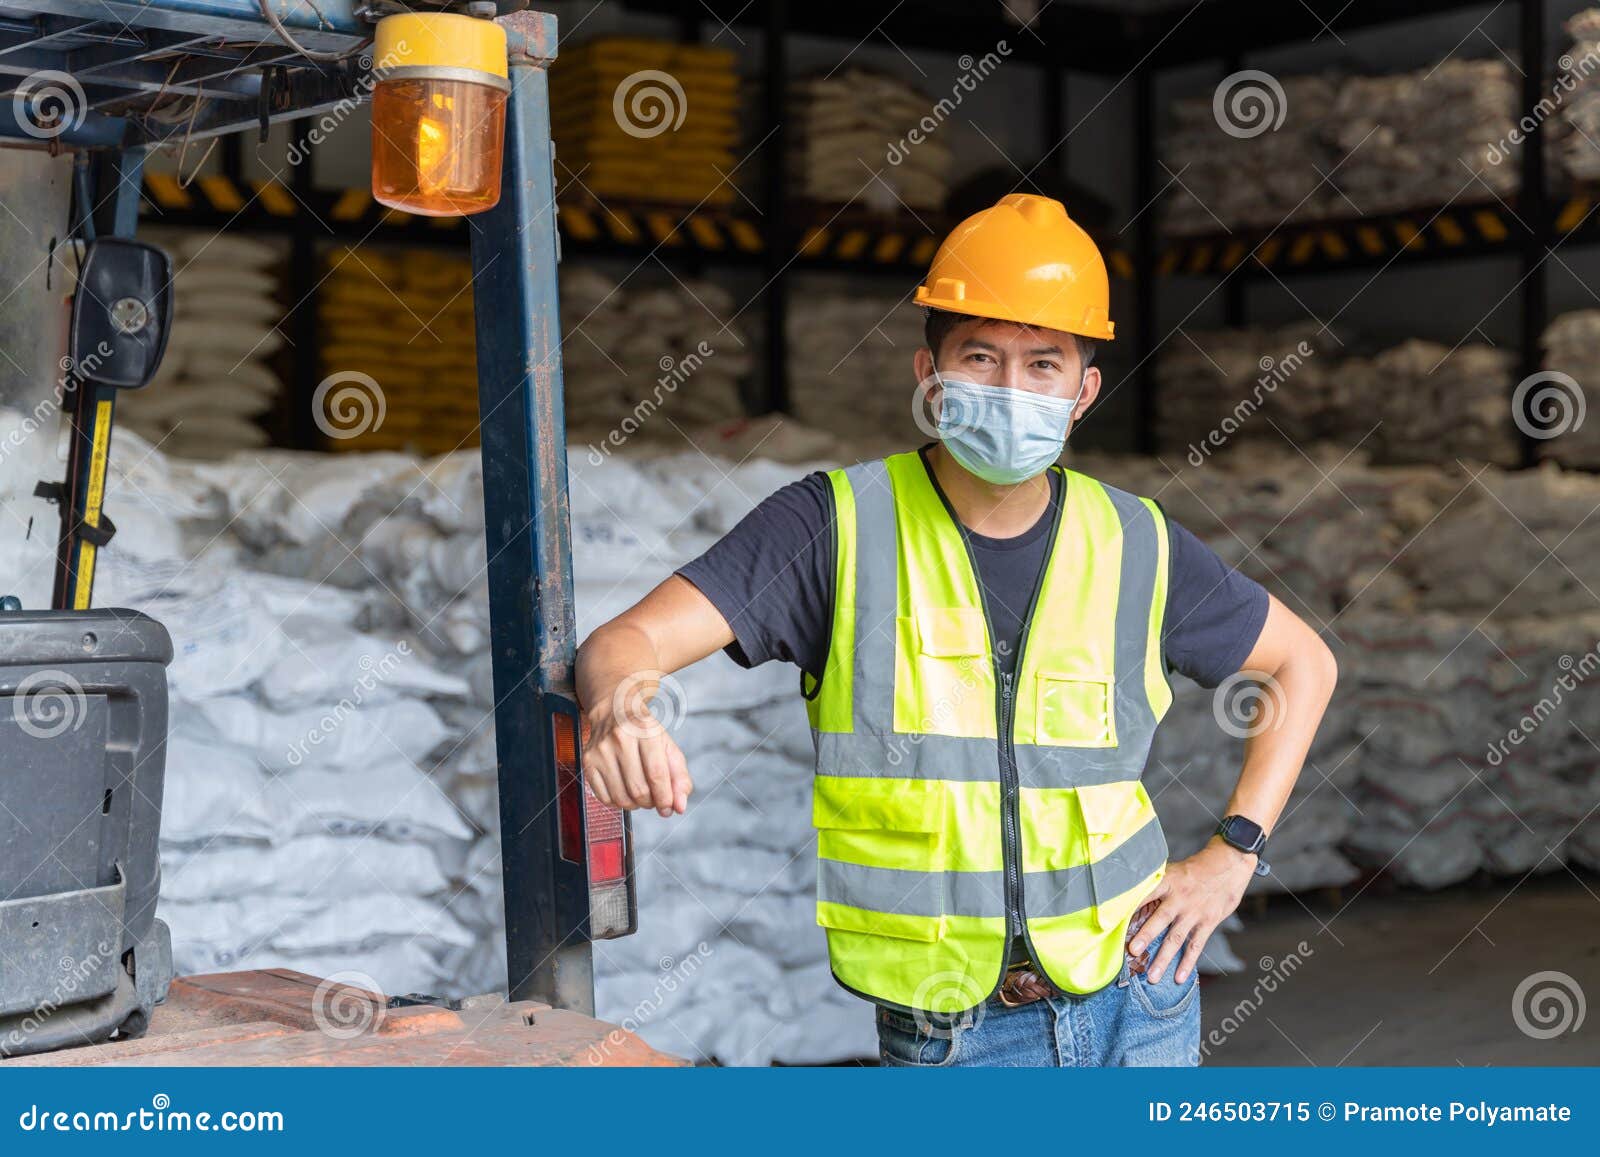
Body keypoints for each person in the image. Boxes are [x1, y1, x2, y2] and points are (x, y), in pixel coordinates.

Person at [575, 193, 1338, 1067]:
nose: (1011, 390)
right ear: (929, 376)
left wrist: (1235, 853)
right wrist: (619, 709)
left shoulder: (1137, 543)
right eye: (981, 356)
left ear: (1083, 391)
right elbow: (621, 644)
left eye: (1043, 363)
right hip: (954, 1033)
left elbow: (1302, 662)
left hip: (1139, 997)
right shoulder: (833, 527)